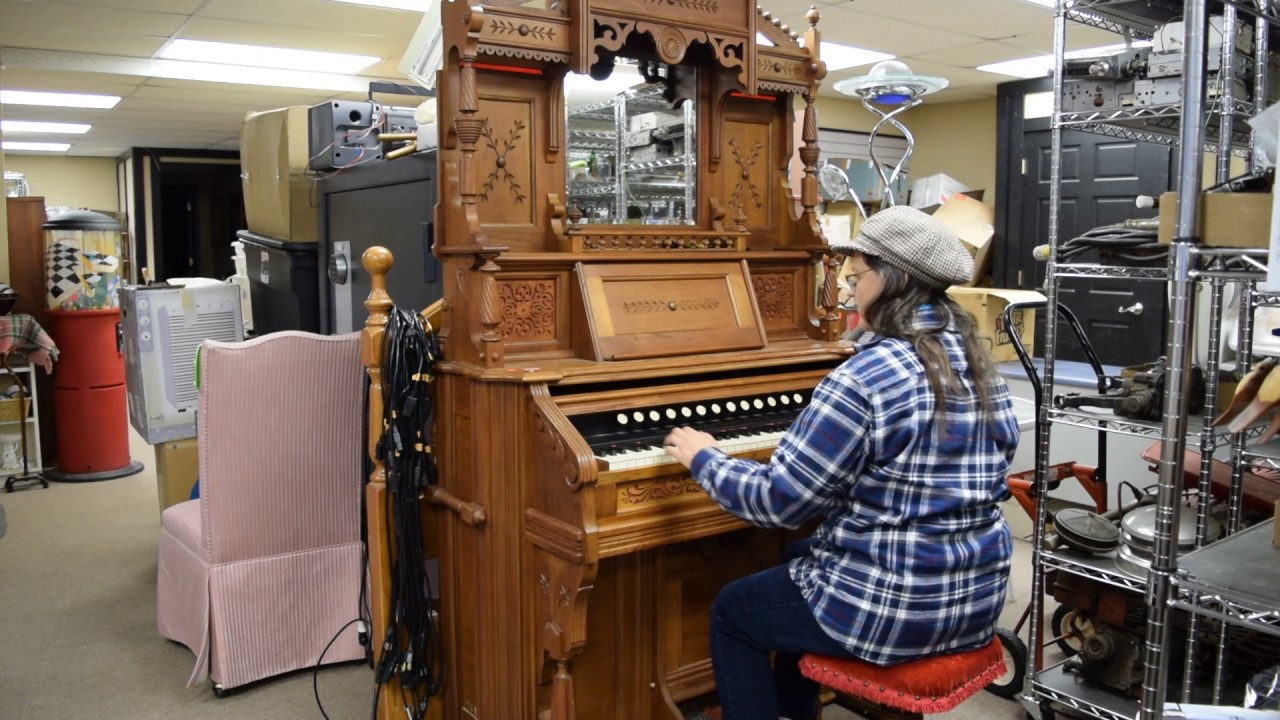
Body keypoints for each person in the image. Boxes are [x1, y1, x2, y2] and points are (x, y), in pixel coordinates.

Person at [663, 205, 1019, 720]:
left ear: (890, 280)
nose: (850, 292)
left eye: (856, 278)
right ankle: (796, 706)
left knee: (733, 611)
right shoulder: (979, 364)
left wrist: (705, 458)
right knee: (795, 560)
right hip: (975, 596)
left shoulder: (866, 375)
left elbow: (778, 502)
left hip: (898, 607)